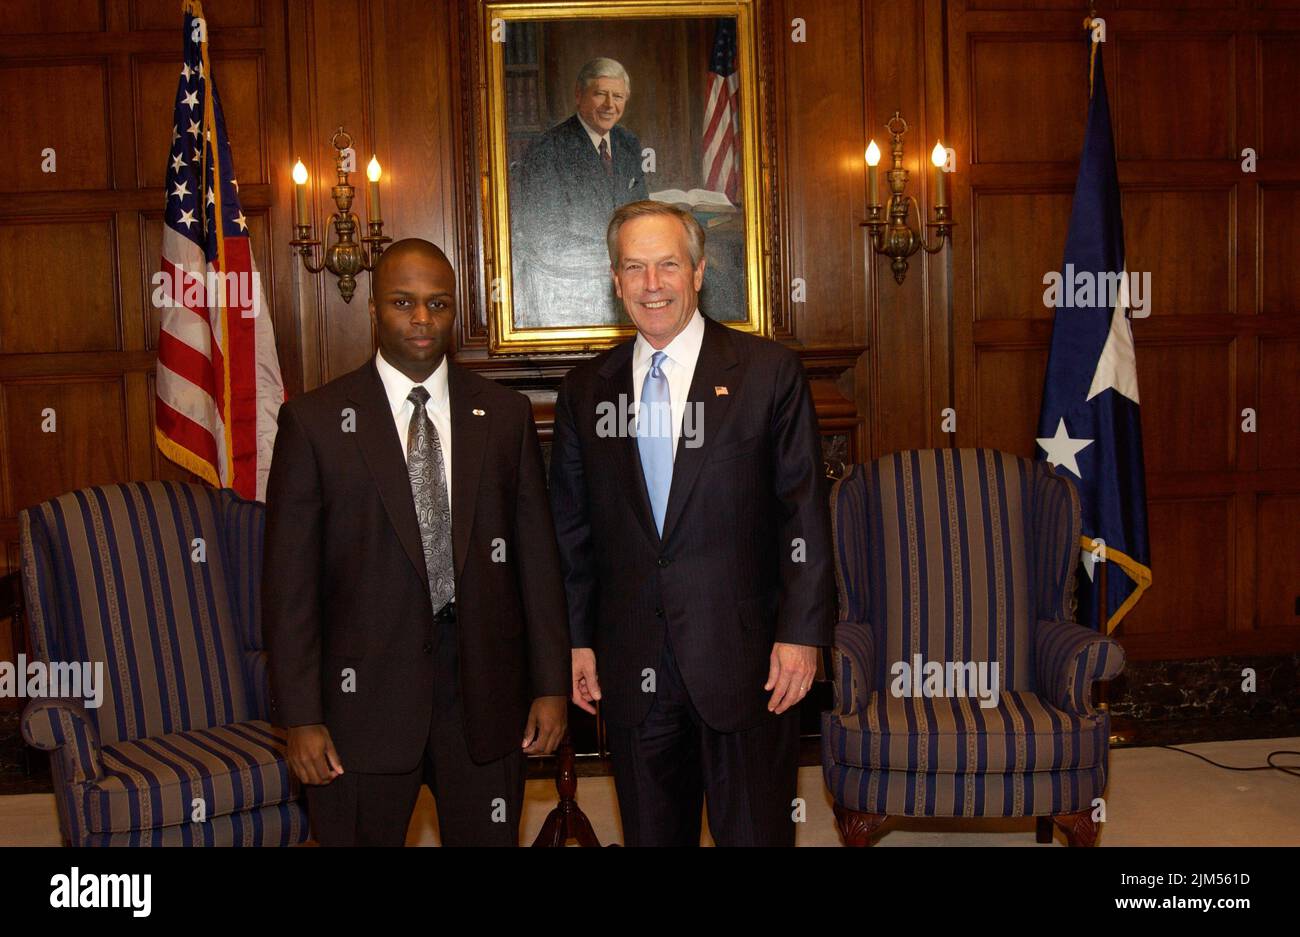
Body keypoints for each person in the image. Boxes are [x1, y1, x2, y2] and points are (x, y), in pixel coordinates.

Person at [264, 238, 569, 846]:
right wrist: (300, 717)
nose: (423, 319)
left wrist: (551, 684)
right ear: (374, 308)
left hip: (485, 700)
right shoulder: (316, 422)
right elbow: (288, 588)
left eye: (438, 304)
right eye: (404, 302)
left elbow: (537, 562)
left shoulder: (505, 416)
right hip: (360, 709)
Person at [549, 201, 834, 845]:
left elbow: (804, 516)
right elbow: (571, 534)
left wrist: (802, 634)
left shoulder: (767, 374)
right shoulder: (584, 392)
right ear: (615, 280)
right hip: (630, 667)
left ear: (699, 272)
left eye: (668, 265)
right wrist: (575, 640)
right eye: (635, 268)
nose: (653, 284)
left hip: (751, 664)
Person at [511, 57, 649, 327]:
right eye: (600, 94)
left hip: (626, 284)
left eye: (618, 96)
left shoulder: (627, 142)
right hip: (568, 291)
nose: (610, 105)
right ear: (579, 95)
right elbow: (546, 240)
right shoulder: (547, 149)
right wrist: (623, 260)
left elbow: (641, 212)